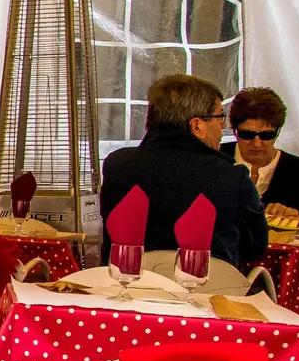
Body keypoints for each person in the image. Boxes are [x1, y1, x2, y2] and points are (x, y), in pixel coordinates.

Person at [99, 73, 267, 268]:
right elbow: (256, 248)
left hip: (125, 288)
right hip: (206, 291)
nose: (223, 127)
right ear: (197, 125)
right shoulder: (231, 176)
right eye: (220, 117)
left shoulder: (117, 165)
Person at [221, 85, 299, 251]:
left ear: (278, 131)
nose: (257, 143)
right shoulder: (216, 160)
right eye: (247, 135)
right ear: (235, 130)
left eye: (267, 135)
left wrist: (298, 218)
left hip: (279, 271)